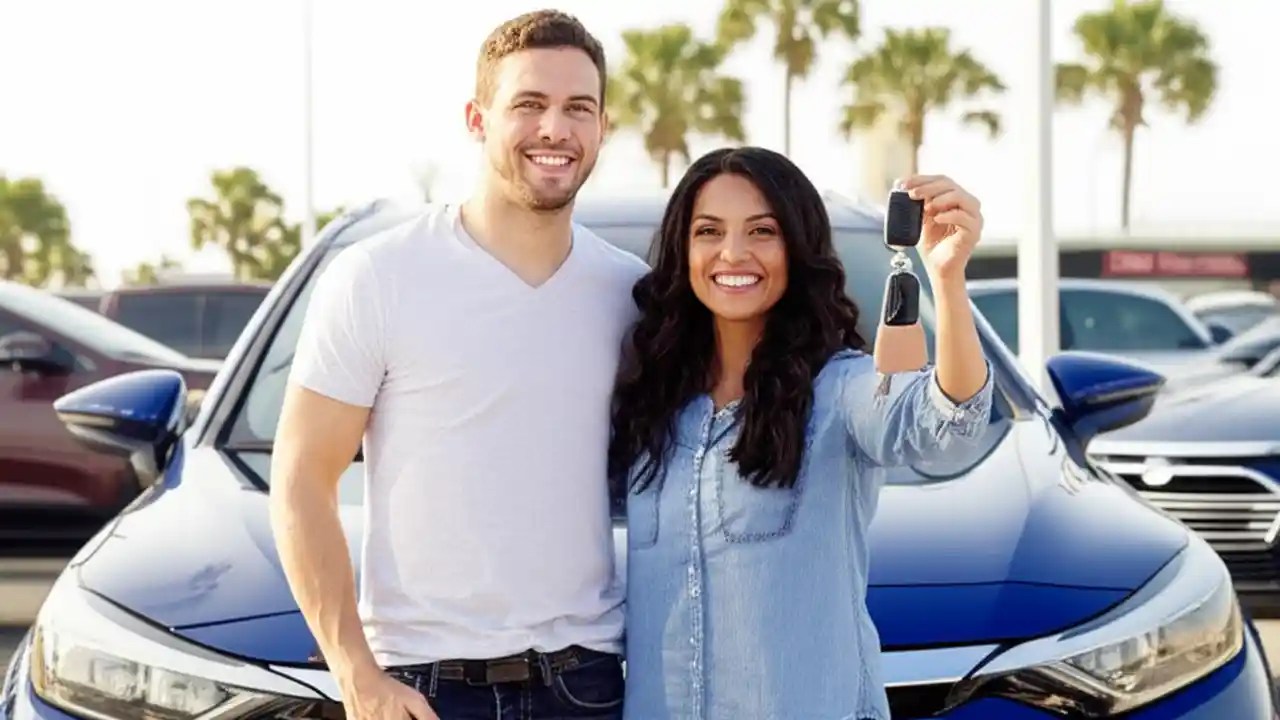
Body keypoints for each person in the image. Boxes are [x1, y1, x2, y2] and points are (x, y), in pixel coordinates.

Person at [269, 9, 646, 720]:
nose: (554, 129)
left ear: (602, 129)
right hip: (423, 689)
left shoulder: (631, 294)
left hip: (588, 686)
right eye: (528, 104)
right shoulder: (380, 276)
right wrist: (357, 674)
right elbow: (299, 481)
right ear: (477, 119)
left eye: (578, 109)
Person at [607, 147, 995, 720]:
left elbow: (944, 425)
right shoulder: (652, 404)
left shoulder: (840, 389)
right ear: (682, 251)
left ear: (796, 248)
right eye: (708, 231)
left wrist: (948, 280)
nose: (733, 253)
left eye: (762, 231)